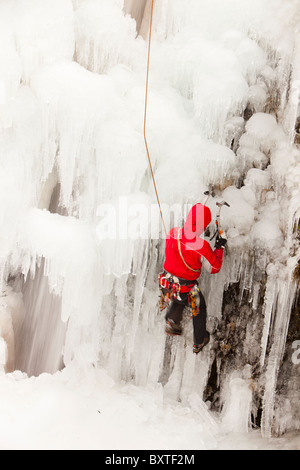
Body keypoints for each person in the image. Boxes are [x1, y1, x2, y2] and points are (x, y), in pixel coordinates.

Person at [160, 202, 226, 354]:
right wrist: (219, 248)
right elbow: (214, 268)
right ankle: (199, 339)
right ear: (203, 226)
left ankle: (172, 322)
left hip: (168, 282)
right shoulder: (201, 246)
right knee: (199, 307)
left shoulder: (173, 232)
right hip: (186, 287)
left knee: (179, 299)